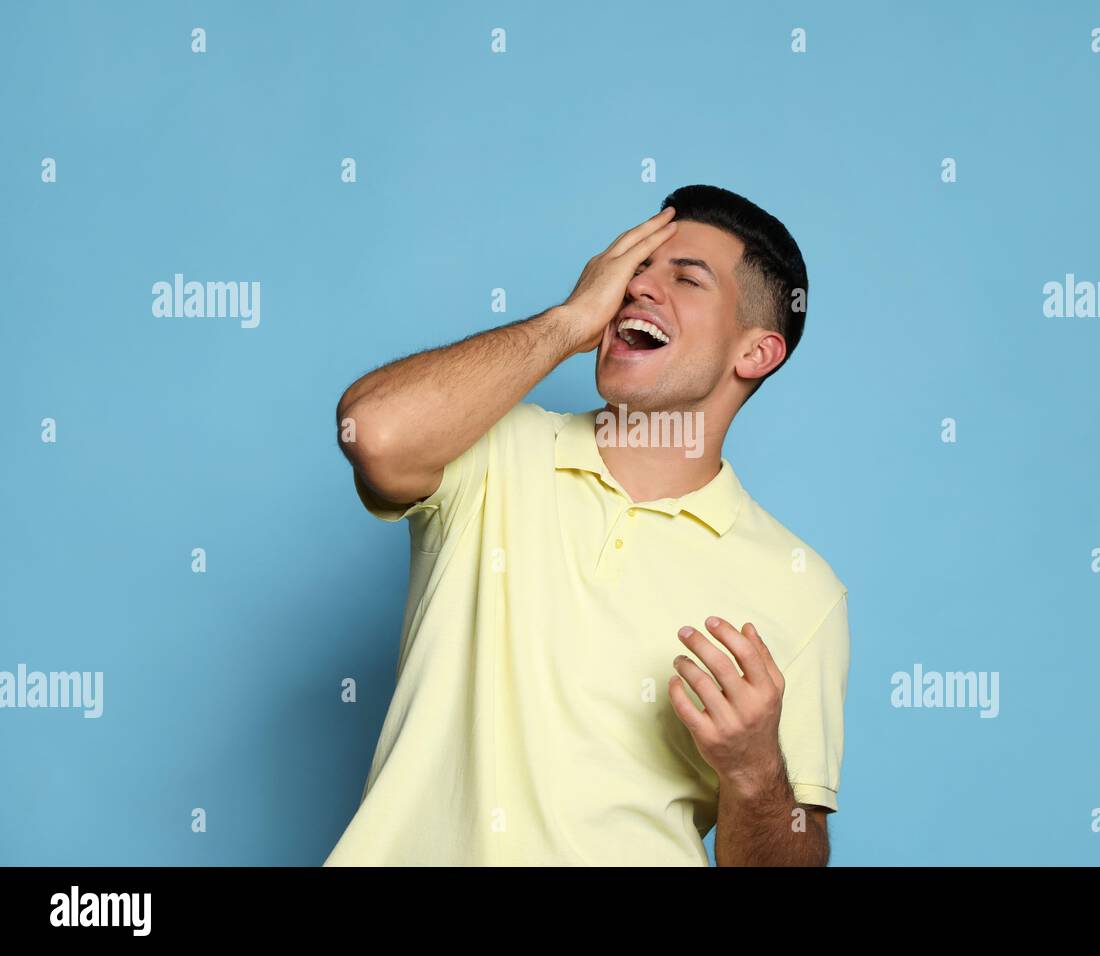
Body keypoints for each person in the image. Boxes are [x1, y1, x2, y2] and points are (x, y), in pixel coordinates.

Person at [324, 185, 850, 866]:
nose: (638, 289)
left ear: (755, 353)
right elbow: (372, 431)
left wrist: (753, 773)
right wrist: (569, 321)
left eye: (685, 277)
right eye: (633, 269)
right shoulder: (491, 447)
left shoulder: (801, 588)